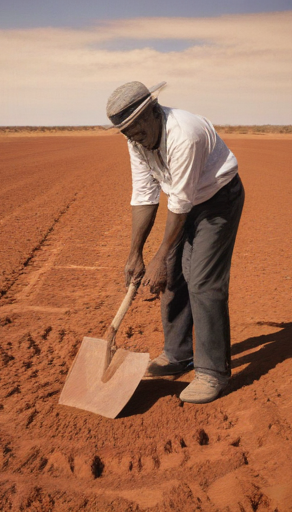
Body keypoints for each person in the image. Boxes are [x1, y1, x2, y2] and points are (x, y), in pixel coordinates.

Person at [106, 81, 244, 404]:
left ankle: (214, 373)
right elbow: (144, 195)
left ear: (153, 112)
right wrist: (135, 254)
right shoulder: (136, 140)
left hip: (217, 201)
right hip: (186, 203)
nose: (133, 139)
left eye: (136, 131)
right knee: (172, 274)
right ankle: (178, 354)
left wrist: (160, 256)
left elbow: (180, 203)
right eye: (127, 134)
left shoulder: (185, 134)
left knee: (202, 281)